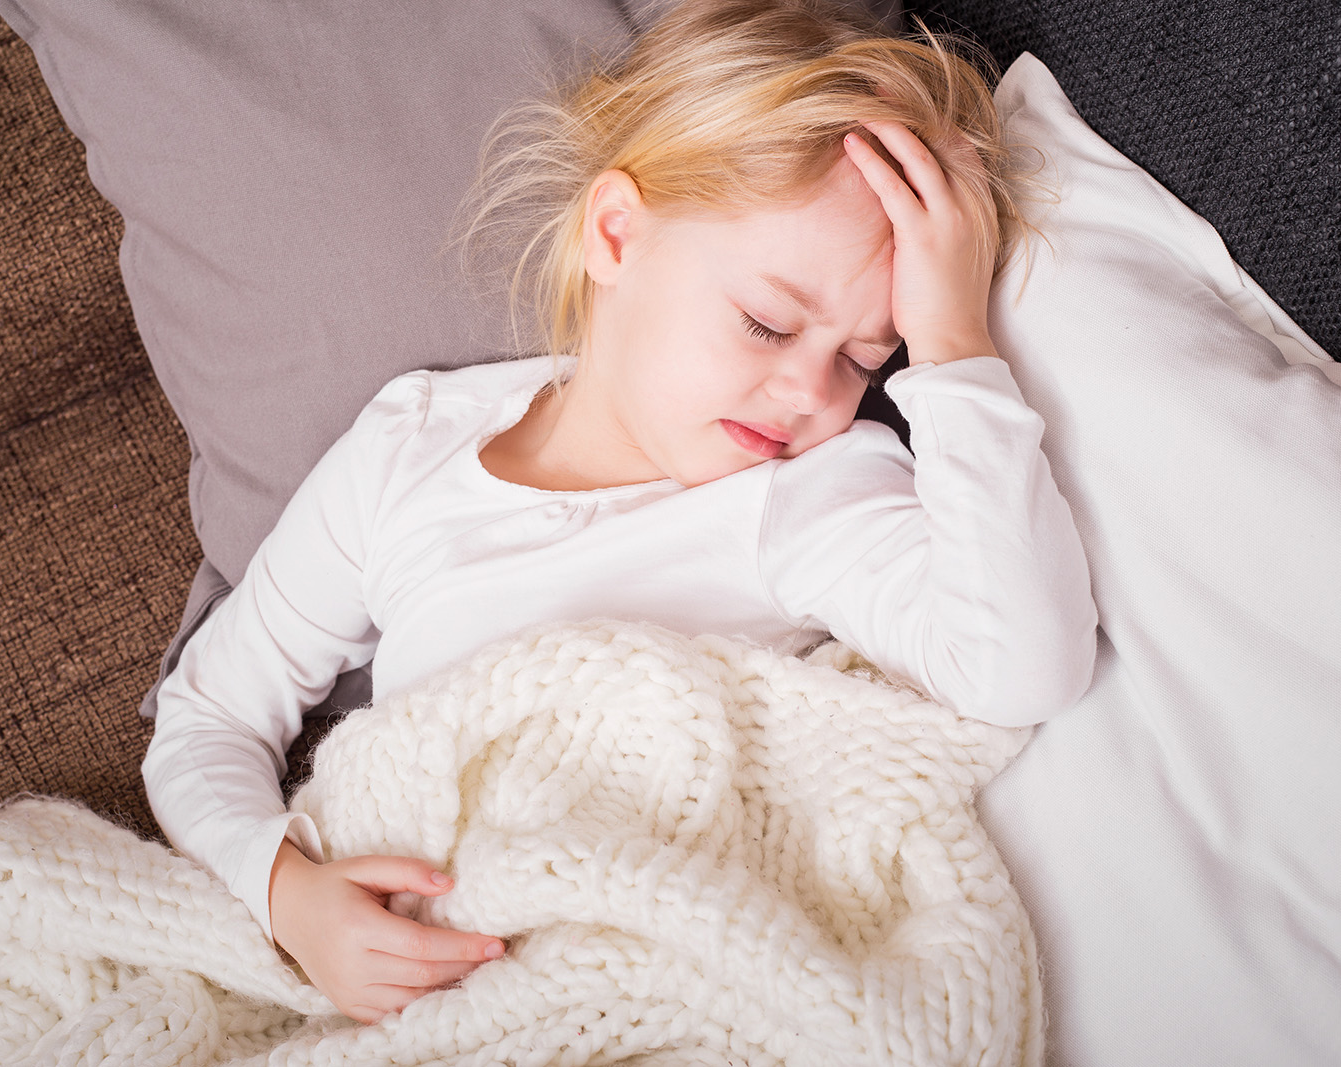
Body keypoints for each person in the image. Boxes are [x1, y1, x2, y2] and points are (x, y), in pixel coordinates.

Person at [142, 0, 1097, 1025]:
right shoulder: (407, 450)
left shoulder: (810, 489)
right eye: (765, 322)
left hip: (672, 956)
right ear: (615, 233)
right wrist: (289, 895)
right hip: (441, 969)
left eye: (865, 358)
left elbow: (1020, 670)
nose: (808, 391)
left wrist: (953, 346)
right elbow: (209, 716)